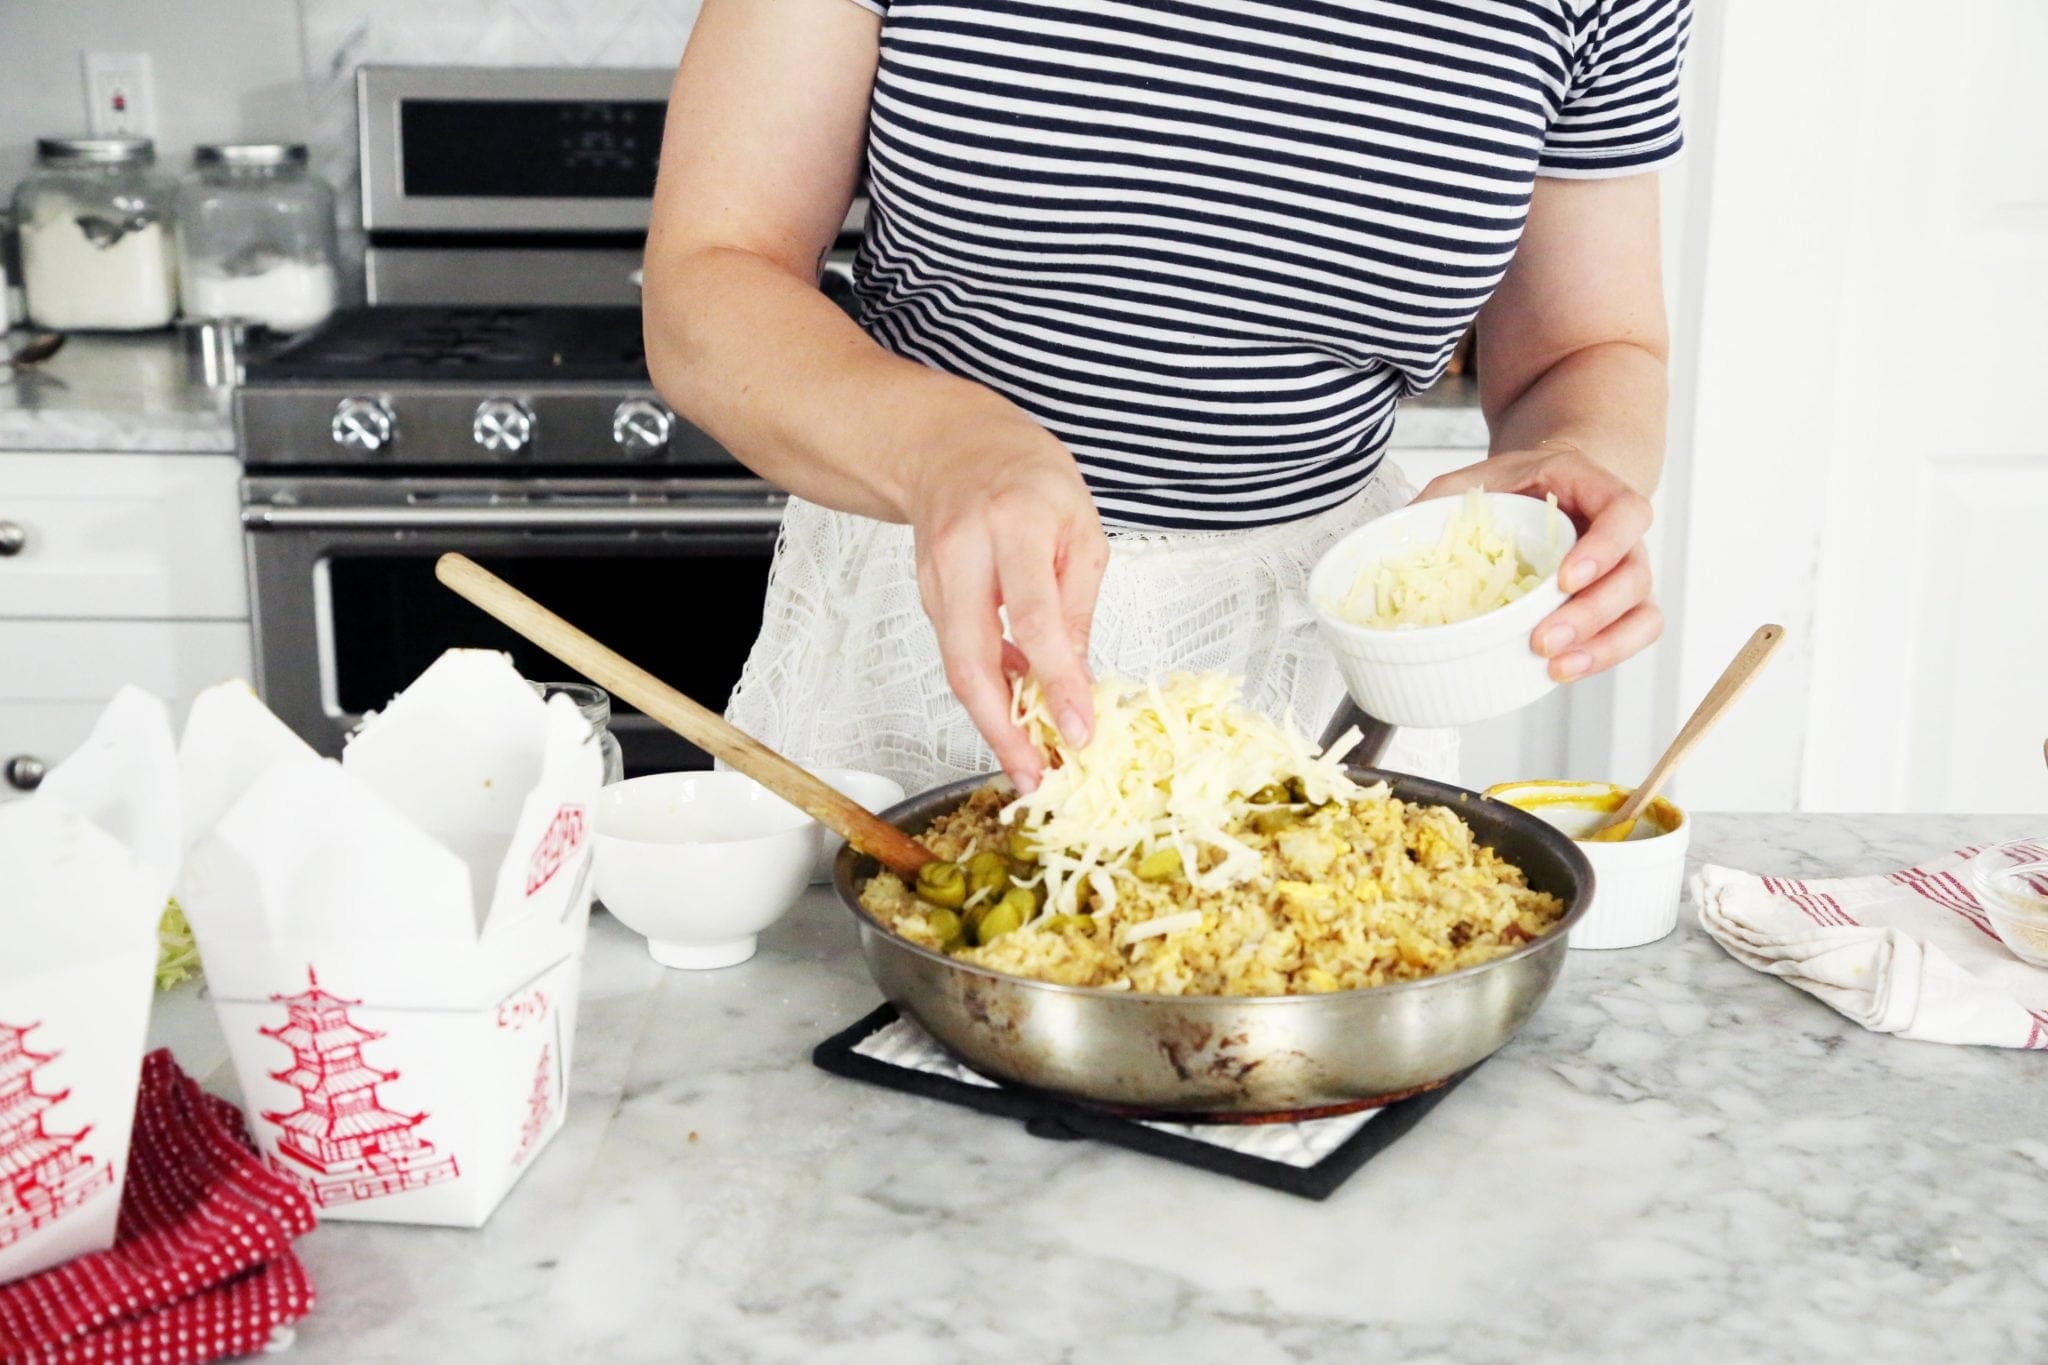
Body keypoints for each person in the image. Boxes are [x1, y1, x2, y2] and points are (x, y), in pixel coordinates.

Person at [644, 0, 1688, 795]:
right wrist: (942, 445)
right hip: (932, 643)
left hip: (1316, 684)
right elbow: (707, 279)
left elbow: (1588, 345)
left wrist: (1575, 456)